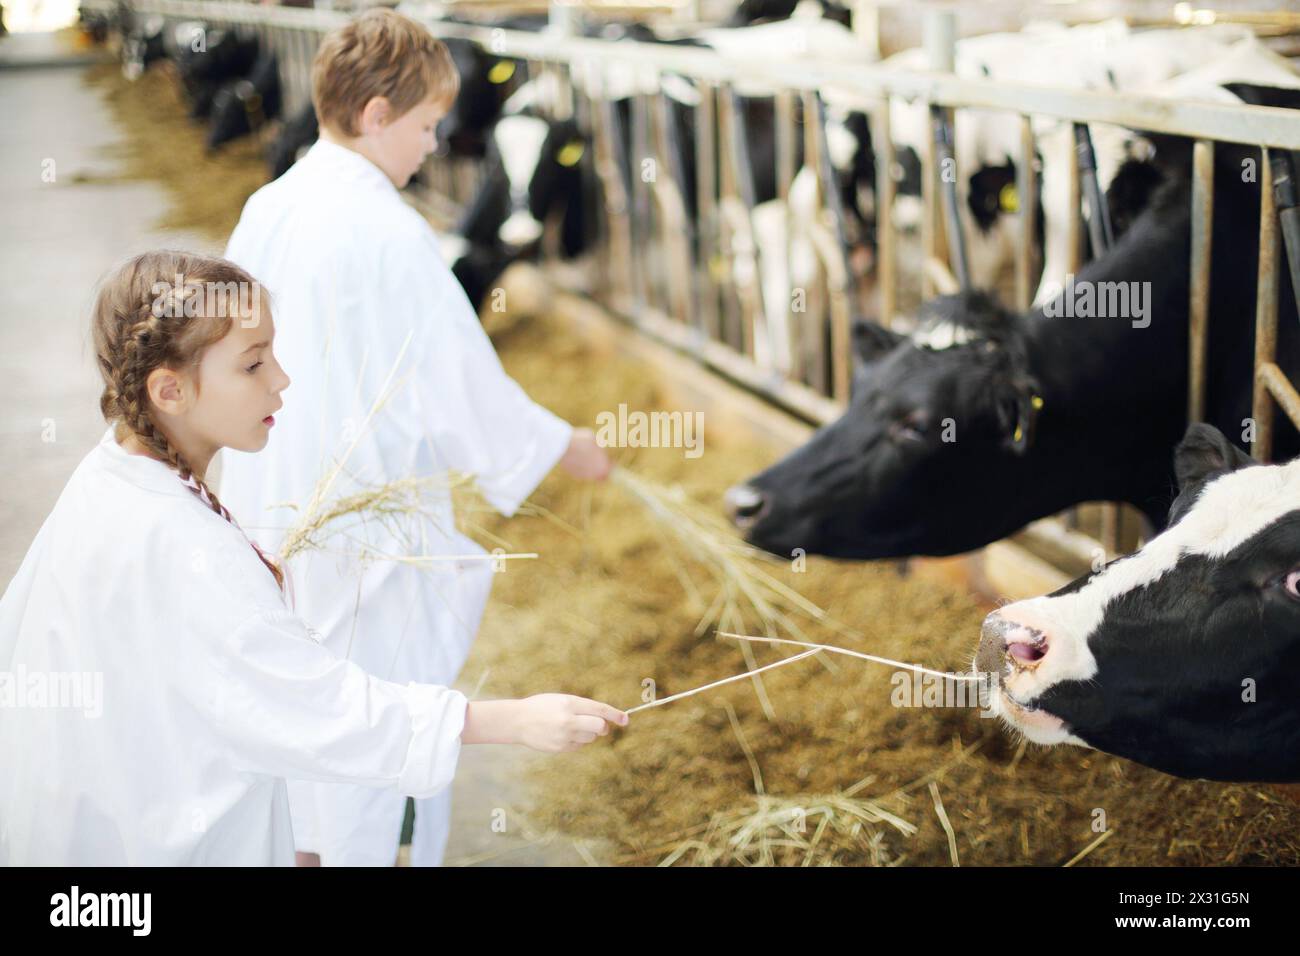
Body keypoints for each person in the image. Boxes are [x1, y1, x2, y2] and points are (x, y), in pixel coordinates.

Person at [0, 251, 627, 866]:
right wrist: (510, 721)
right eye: (252, 364)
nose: (281, 378)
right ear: (170, 389)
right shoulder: (181, 545)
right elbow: (317, 709)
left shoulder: (111, 473)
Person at [218, 8, 612, 866]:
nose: (434, 147)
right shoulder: (391, 232)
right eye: (429, 126)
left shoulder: (272, 202)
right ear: (376, 118)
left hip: (270, 500)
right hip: (363, 523)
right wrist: (561, 445)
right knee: (375, 727)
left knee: (300, 718)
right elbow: (458, 386)